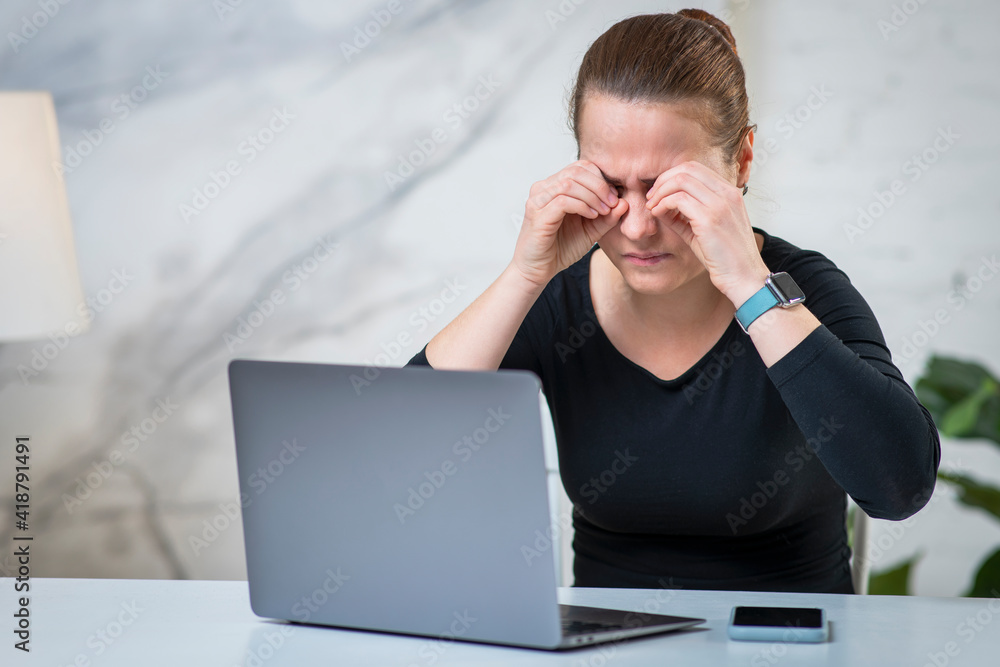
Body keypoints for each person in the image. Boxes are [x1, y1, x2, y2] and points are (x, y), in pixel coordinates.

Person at [405, 9, 940, 593]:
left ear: (741, 160)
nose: (636, 227)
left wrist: (749, 287)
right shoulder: (559, 301)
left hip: (785, 645)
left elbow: (899, 488)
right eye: (611, 186)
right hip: (605, 646)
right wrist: (524, 274)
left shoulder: (800, 287)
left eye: (668, 189)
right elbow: (397, 457)